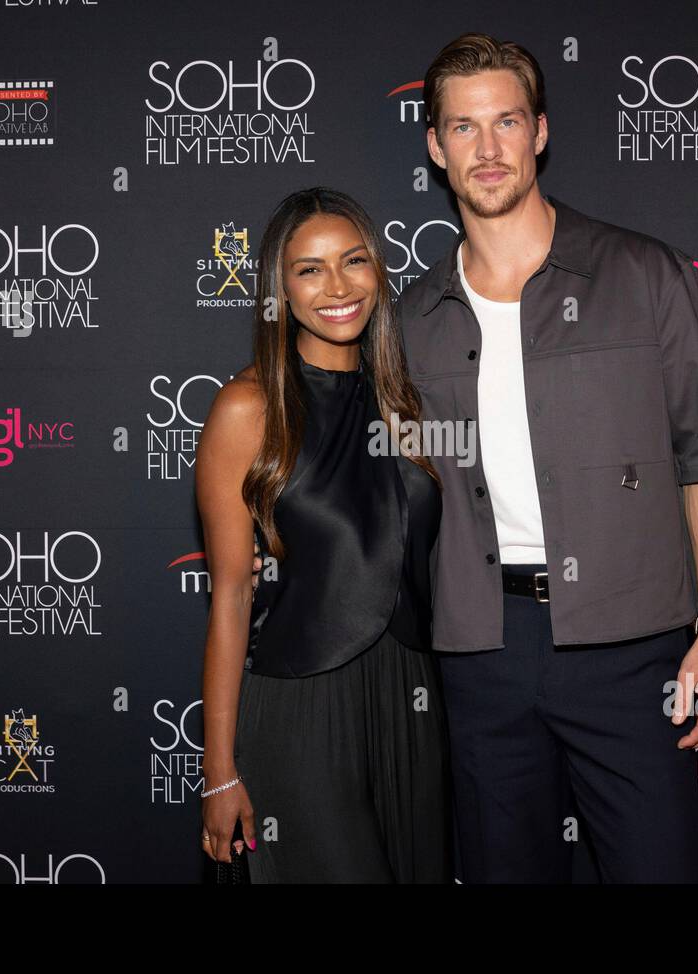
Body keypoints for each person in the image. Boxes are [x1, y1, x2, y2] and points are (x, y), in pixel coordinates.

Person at [394, 33, 698, 883]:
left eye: (506, 122)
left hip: (632, 649)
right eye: (462, 128)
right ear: (434, 146)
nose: (487, 149)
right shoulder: (412, 316)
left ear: (541, 132)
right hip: (482, 652)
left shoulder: (644, 275)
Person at [195, 187, 450, 883]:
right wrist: (218, 772)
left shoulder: (408, 399)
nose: (337, 287)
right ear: (280, 288)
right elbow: (229, 597)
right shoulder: (249, 409)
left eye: (354, 261)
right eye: (309, 270)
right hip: (300, 705)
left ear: (378, 272)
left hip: (413, 700)